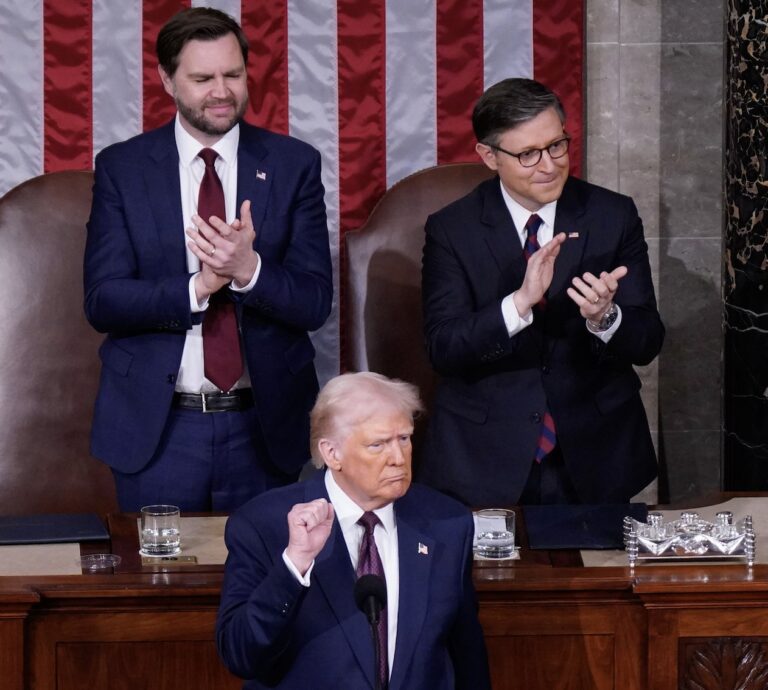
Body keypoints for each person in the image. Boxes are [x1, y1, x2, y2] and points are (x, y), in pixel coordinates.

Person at [83, 7, 332, 512]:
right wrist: (198, 287)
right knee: (162, 588)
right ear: (167, 80)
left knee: (270, 585)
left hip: (263, 429)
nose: (222, 91)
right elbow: (103, 300)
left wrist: (249, 272)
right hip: (159, 429)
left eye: (233, 74)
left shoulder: (292, 164)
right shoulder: (123, 168)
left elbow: (314, 302)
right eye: (202, 78)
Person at [418, 78, 664, 507]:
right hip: (485, 456)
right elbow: (444, 348)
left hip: (595, 452)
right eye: (528, 154)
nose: (549, 165)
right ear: (488, 156)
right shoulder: (451, 229)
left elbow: (647, 341)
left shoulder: (613, 215)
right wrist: (518, 304)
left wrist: (606, 318)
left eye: (557, 146)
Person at [216, 372, 491, 690]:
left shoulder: (448, 523)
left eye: (404, 438)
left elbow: (467, 656)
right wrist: (294, 565)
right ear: (332, 453)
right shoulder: (262, 525)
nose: (398, 458)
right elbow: (240, 656)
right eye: (378, 445)